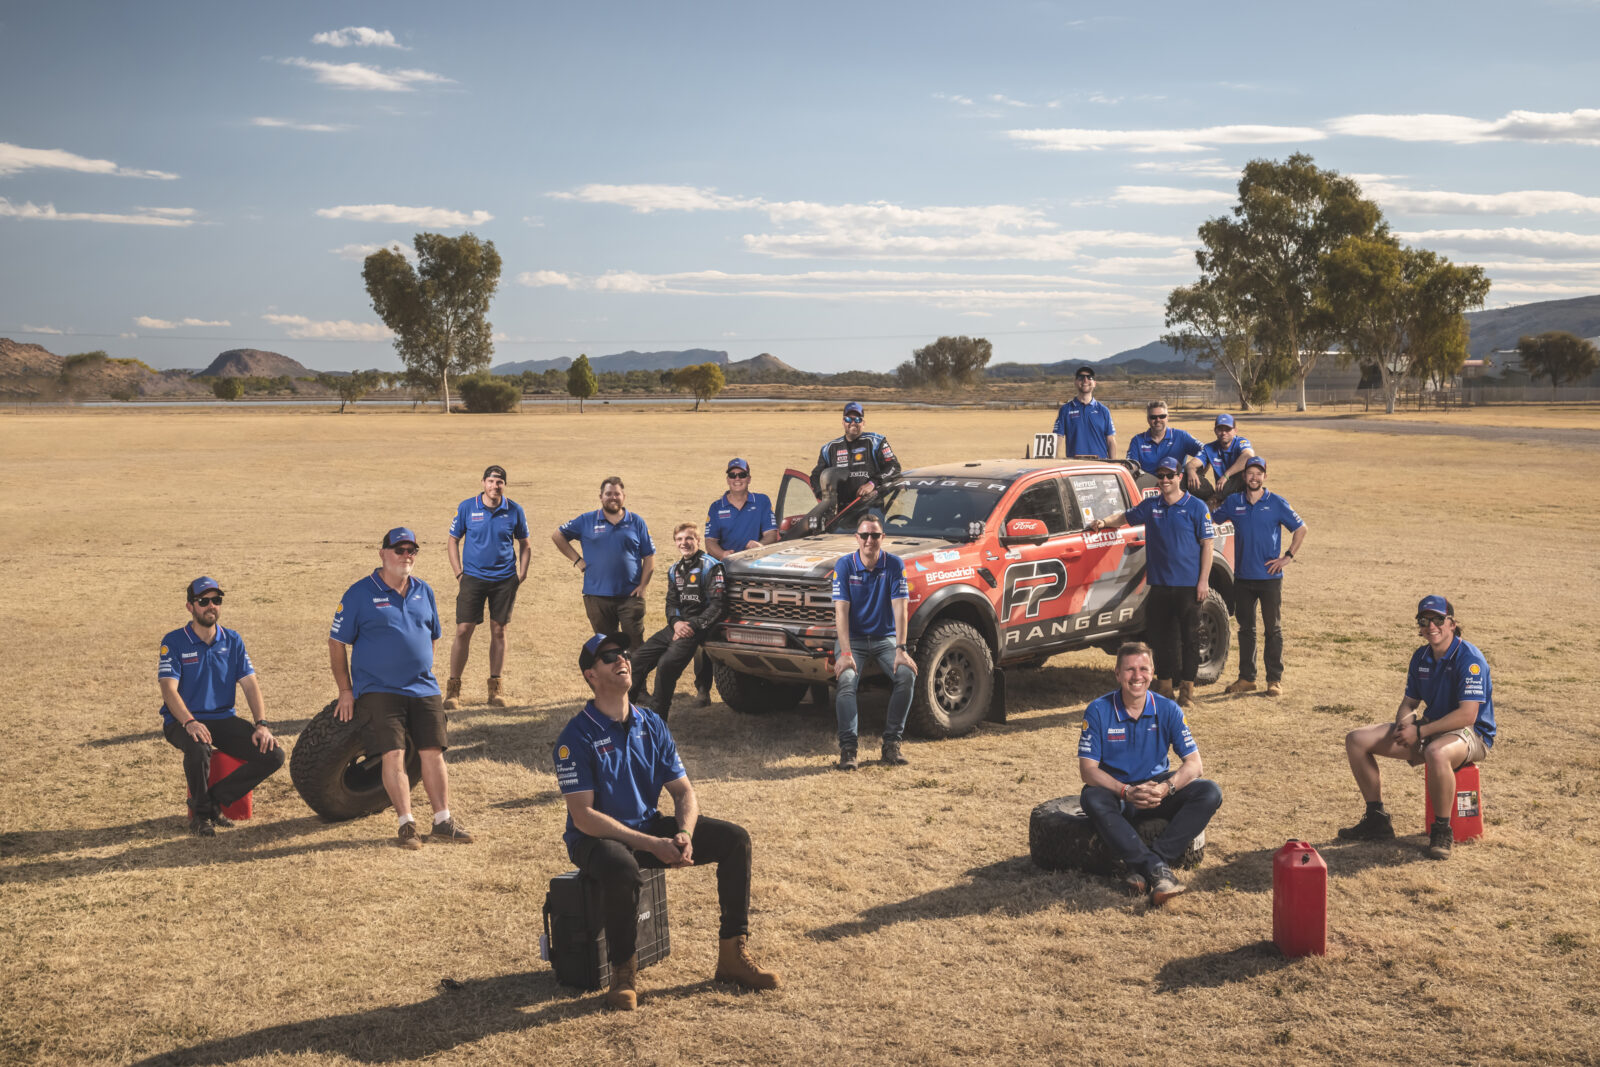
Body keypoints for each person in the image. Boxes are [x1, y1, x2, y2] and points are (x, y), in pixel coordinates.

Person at [554, 633, 781, 1010]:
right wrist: (652, 845)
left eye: (623, 653)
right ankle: (623, 974)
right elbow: (584, 817)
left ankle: (731, 957)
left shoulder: (651, 723)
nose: (621, 659)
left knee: (734, 840)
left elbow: (683, 793)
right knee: (621, 864)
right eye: (608, 656)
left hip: (646, 827)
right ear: (590, 675)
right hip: (594, 840)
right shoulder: (575, 736)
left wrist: (683, 833)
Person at [329, 527, 473, 849]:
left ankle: (442, 821)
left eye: (412, 551)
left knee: (433, 752)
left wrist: (421, 667)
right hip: (380, 689)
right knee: (394, 753)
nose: (407, 556)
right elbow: (336, 642)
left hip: (423, 687)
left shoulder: (425, 591)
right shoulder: (359, 593)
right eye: (399, 550)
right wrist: (345, 690)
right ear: (383, 553)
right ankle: (406, 824)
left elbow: (432, 635)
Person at [1338, 596, 1496, 860]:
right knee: (1356, 740)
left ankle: (1441, 830)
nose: (1430, 626)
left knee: (1436, 752)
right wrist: (1406, 723)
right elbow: (1409, 703)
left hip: (1472, 735)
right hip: (1430, 729)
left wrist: (1420, 732)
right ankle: (1376, 819)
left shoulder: (1469, 658)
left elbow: (1468, 715)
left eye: (1437, 619)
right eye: (1424, 620)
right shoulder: (1420, 656)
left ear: (1452, 624)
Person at [1078, 642, 1223, 904]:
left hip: (1157, 791)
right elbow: (1088, 771)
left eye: (1143, 668)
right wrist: (1125, 791)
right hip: (1119, 794)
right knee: (1091, 797)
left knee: (1210, 791)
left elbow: (1194, 764)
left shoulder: (1168, 709)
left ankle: (1149, 863)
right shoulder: (1098, 710)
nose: (1137, 676)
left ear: (1152, 671)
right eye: (1129, 669)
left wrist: (1165, 788)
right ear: (1117, 674)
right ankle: (1157, 869)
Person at [159, 577, 284, 836]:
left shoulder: (233, 640)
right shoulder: (173, 641)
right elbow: (168, 690)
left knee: (273, 754)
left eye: (216, 601)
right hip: (182, 721)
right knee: (198, 747)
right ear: (190, 607)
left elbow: (250, 684)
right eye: (203, 601)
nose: (211, 606)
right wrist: (189, 722)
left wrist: (261, 724)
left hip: (222, 718)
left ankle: (211, 802)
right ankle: (201, 817)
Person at [1088, 456, 1214, 707]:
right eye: (1161, 475)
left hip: (1188, 586)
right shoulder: (1151, 506)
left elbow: (1207, 545)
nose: (1165, 480)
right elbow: (1124, 517)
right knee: (1160, 638)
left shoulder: (1197, 507)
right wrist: (1102, 522)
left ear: (1180, 477)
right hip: (1159, 585)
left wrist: (1203, 582)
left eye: (1170, 475)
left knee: (1189, 639)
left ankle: (1187, 691)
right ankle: (1165, 686)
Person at [1212, 457, 1307, 698]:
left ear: (1264, 476)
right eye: (1250, 473)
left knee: (1273, 630)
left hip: (1270, 578)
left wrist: (1287, 556)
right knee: (1246, 629)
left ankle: (1274, 680)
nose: (1254, 477)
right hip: (1242, 577)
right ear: (1243, 477)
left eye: (1258, 473)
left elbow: (1301, 529)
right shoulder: (1234, 502)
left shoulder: (1275, 502)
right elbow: (1213, 518)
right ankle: (1246, 679)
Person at [831, 514, 917, 769]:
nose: (870, 540)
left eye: (875, 535)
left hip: (885, 638)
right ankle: (848, 750)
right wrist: (845, 653)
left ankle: (891, 744)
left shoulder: (894, 565)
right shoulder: (845, 565)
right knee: (846, 680)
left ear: (883, 538)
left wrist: (901, 649)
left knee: (906, 674)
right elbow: (841, 612)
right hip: (853, 641)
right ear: (857, 538)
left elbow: (901, 609)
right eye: (865, 535)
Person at [444, 464, 531, 711]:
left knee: (499, 630)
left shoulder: (514, 510)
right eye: (491, 481)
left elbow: (525, 543)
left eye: (499, 482)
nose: (495, 486)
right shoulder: (467, 507)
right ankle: (453, 690)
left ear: (504, 485)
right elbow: (452, 540)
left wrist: (521, 573)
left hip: (504, 579)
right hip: (472, 577)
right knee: (463, 630)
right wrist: (458, 572)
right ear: (483, 483)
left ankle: (495, 690)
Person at [629, 523, 724, 720]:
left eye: (689, 538)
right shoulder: (675, 569)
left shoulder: (711, 566)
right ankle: (623, 713)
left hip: (698, 627)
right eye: (679, 539)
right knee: (637, 659)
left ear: (698, 541)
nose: (684, 543)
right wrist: (676, 623)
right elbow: (671, 603)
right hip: (678, 625)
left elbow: (718, 605)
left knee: (666, 665)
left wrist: (693, 625)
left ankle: (657, 721)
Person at [552, 477, 656, 651]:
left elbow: (650, 556)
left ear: (624, 496)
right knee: (606, 649)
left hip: (630, 597)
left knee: (636, 647)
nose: (613, 497)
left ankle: (637, 679)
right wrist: (577, 560)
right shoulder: (586, 520)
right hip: (596, 597)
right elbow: (557, 535)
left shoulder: (636, 521)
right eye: (608, 494)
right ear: (601, 496)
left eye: (617, 494)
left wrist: (643, 585)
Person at [809, 401, 901, 510]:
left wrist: (872, 483)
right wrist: (825, 498)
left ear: (863, 423)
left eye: (858, 419)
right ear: (843, 422)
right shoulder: (829, 448)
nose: (853, 423)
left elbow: (894, 467)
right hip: (842, 513)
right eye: (848, 419)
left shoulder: (877, 441)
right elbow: (815, 476)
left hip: (871, 509)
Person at [1125, 399, 1204, 487]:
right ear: (1148, 419)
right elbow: (1132, 465)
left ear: (1167, 417)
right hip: (1147, 487)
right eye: (1153, 417)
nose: (1158, 420)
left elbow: (1206, 451)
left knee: (1204, 487)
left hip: (1175, 486)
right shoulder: (1137, 440)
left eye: (1162, 416)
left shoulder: (1181, 436)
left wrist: (1192, 468)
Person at [1052, 366, 1117, 459]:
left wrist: (1113, 464)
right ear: (1075, 382)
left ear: (1094, 383)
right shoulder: (1065, 410)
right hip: (1075, 467)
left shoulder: (1104, 411)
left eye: (1089, 377)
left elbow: (1110, 440)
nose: (1085, 380)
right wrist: (1053, 461)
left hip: (1100, 466)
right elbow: (1057, 437)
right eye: (1081, 377)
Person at [1197, 413, 1257, 505]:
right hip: (1221, 490)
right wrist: (1190, 470)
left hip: (1239, 490)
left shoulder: (1241, 442)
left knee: (1248, 470)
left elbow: (1248, 456)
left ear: (1235, 431)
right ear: (1215, 430)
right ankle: (1211, 502)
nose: (1223, 433)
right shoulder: (1209, 447)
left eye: (1228, 429)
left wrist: (1226, 475)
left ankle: (1216, 501)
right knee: (1184, 477)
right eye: (1220, 429)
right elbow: (1193, 464)